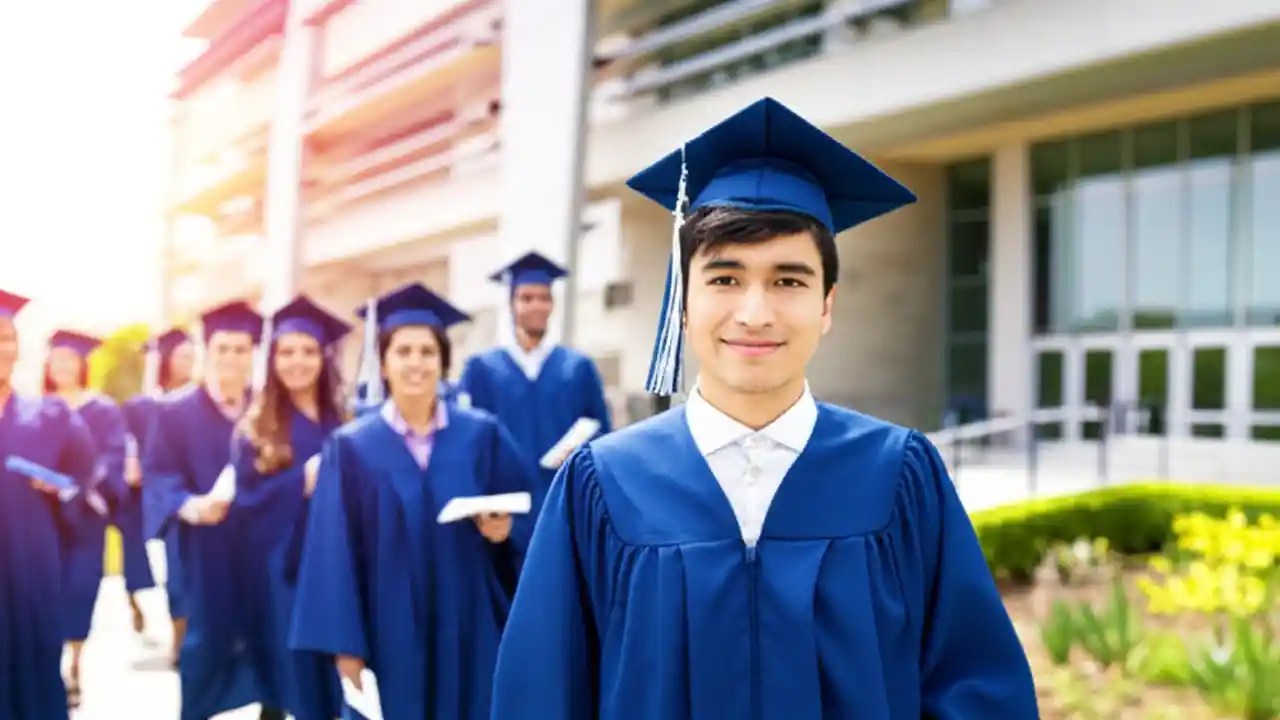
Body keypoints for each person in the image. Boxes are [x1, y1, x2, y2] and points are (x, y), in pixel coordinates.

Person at [491, 97, 1039, 718]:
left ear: (828, 305)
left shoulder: (899, 477)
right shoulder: (603, 486)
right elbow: (539, 696)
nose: (755, 313)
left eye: (789, 280)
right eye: (725, 279)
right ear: (685, 302)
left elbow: (978, 691)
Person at [290, 283, 537, 720]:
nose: (416, 363)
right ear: (383, 362)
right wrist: (345, 645)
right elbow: (331, 553)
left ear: (443, 362)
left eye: (427, 352)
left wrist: (506, 530)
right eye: (403, 351)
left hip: (465, 620)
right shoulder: (350, 448)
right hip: (385, 625)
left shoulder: (481, 434)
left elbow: (531, 510)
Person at [142, 300, 278, 720]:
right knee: (205, 643)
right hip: (205, 547)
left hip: (261, 546)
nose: (231, 358)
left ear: (253, 354)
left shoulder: (269, 408)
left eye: (240, 349)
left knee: (270, 638)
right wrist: (191, 506)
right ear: (207, 352)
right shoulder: (173, 411)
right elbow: (159, 473)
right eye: (222, 349)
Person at [229, 295, 348, 719]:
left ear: (323, 358)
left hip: (338, 568)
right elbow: (244, 506)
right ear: (273, 359)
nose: (297, 361)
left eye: (308, 351)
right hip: (283, 575)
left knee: (339, 684)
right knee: (287, 683)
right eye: (287, 352)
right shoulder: (256, 428)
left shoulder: (346, 421)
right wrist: (301, 483)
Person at [0, 289, 102, 719]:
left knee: (32, 678)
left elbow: (89, 487)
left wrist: (62, 490)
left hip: (30, 578)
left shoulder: (52, 417)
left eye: (6, 337)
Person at [459, 251, 612, 512]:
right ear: (511, 304)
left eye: (544, 298)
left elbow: (603, 435)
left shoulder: (578, 367)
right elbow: (468, 441)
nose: (537, 306)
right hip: (505, 508)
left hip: (564, 501)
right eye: (526, 298)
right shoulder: (482, 369)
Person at [43, 330, 127, 708]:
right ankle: (49, 665)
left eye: (69, 359)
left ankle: (74, 663)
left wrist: (86, 486)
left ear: (82, 364)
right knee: (45, 592)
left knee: (80, 590)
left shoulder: (102, 408)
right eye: (56, 359)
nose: (62, 366)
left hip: (86, 516)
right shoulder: (36, 407)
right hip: (43, 517)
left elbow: (113, 455)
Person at [120, 327, 195, 655]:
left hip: (191, 491)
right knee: (169, 571)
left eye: (194, 357)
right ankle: (177, 633)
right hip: (156, 496)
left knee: (184, 571)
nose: (190, 363)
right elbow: (132, 442)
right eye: (183, 357)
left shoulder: (199, 401)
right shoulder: (147, 404)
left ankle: (186, 636)